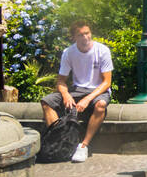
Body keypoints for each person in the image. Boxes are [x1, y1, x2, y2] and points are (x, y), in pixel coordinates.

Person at [41, 19, 113, 163]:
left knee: (100, 106)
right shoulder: (69, 52)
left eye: (87, 33)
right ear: (74, 37)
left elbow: (107, 82)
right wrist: (66, 94)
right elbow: (61, 81)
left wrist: (87, 99)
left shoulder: (102, 50)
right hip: (77, 89)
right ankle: (61, 141)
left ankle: (83, 145)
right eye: (80, 35)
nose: (85, 37)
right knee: (47, 102)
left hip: (98, 90)